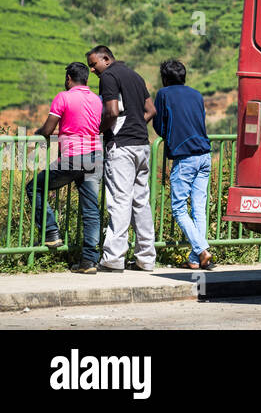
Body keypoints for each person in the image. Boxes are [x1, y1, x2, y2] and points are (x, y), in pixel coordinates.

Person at [25, 62, 103, 273]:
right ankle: (88, 261)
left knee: (34, 188)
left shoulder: (64, 97)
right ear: (86, 79)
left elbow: (48, 129)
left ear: (69, 78)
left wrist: (36, 132)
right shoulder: (97, 100)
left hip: (74, 157)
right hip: (95, 156)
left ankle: (51, 233)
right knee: (90, 209)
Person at [87, 45, 157, 273]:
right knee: (141, 202)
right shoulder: (135, 76)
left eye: (94, 64)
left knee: (119, 201)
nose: (93, 70)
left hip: (122, 147)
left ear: (105, 59)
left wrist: (102, 131)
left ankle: (114, 259)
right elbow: (150, 110)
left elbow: (112, 112)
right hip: (142, 145)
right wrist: (135, 125)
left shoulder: (109, 76)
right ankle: (146, 259)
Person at [153, 59, 214, 271]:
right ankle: (196, 259)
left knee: (179, 209)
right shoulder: (197, 94)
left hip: (185, 157)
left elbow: (160, 125)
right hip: (205, 155)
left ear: (165, 79)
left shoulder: (164, 94)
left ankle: (202, 250)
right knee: (198, 209)